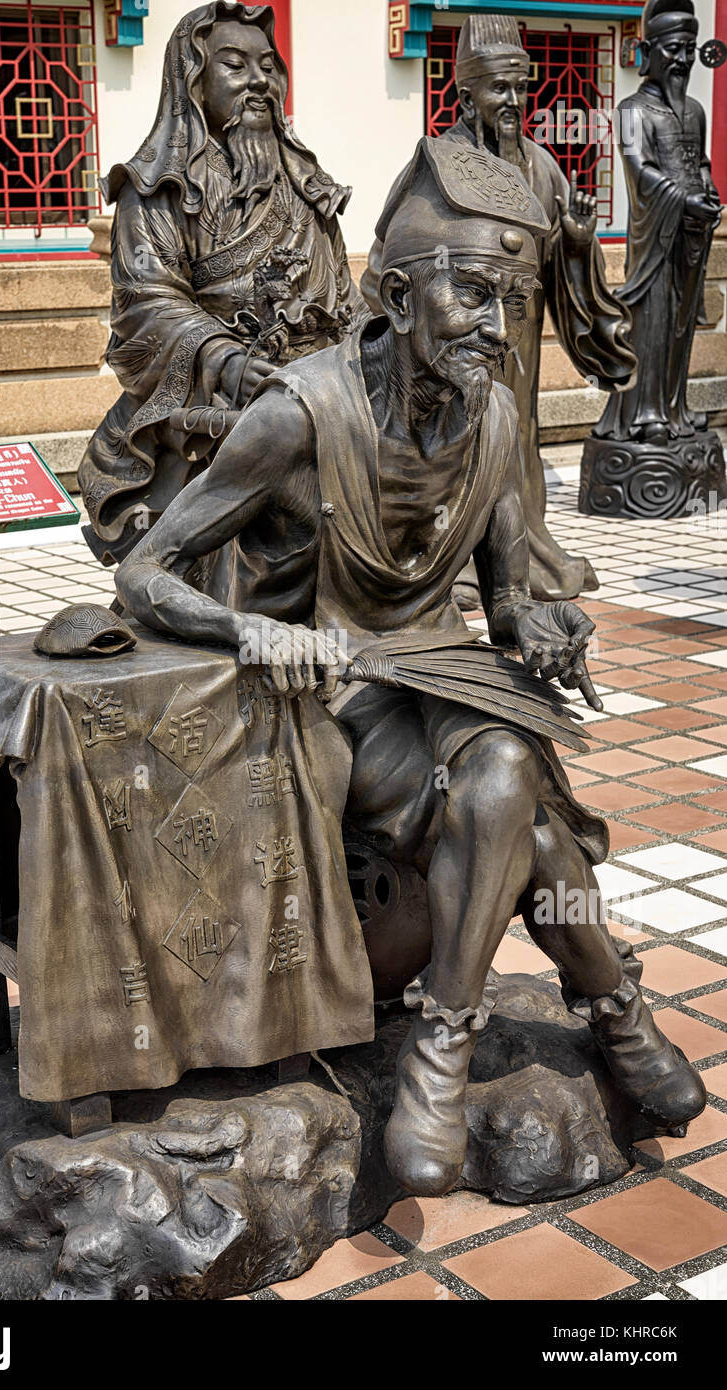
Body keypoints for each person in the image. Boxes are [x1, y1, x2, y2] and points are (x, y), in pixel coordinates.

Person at [115, 138, 704, 1197]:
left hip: (441, 680)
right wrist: (246, 630)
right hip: (328, 692)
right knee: (519, 820)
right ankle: (603, 1009)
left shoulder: (488, 415)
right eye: (470, 294)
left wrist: (540, 625)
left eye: (510, 304)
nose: (494, 326)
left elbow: (508, 589)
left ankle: (460, 1040)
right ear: (392, 292)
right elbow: (145, 570)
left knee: (505, 778)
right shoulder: (299, 413)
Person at [79, 1, 365, 566]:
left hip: (322, 404)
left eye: (268, 66)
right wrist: (225, 359)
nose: (260, 81)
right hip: (211, 411)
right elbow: (147, 301)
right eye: (236, 65)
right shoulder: (156, 188)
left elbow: (345, 298)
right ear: (193, 80)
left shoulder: (307, 185)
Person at [361, 15, 635, 605]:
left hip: (518, 339)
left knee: (513, 434)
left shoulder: (541, 167)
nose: (514, 101)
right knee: (455, 439)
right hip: (452, 344)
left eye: (521, 88)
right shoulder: (434, 166)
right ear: (465, 94)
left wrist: (580, 242)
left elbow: (563, 270)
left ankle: (520, 554)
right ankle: (451, 562)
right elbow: (384, 266)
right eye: (499, 88)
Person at [593, 0, 722, 446]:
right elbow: (639, 171)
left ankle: (675, 409)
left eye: (689, 48)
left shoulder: (695, 112)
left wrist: (707, 190)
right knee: (651, 321)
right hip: (655, 234)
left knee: (681, 323)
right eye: (674, 49)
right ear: (649, 52)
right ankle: (642, 414)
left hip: (690, 233)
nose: (684, 59)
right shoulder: (630, 111)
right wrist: (684, 199)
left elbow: (700, 162)